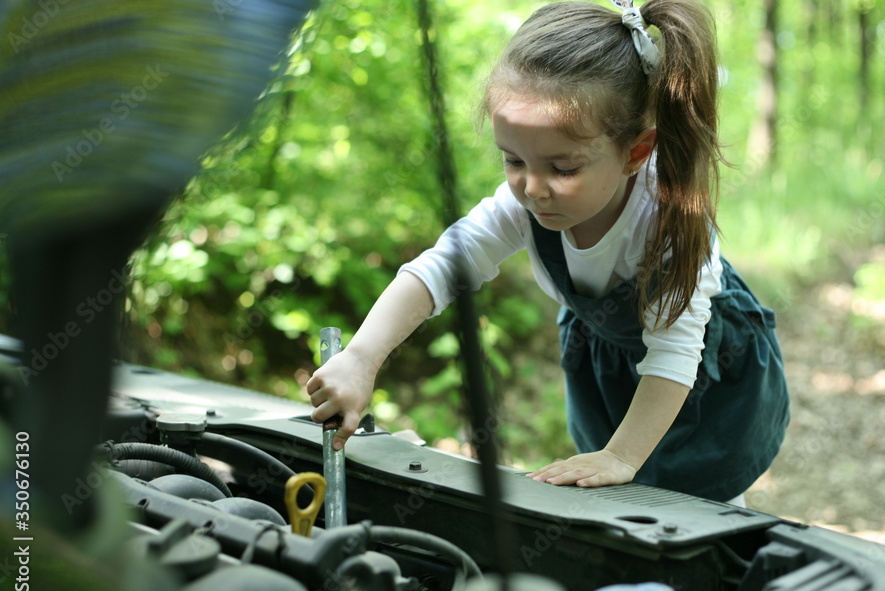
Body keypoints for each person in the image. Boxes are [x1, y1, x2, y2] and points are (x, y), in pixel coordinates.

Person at [307, 0, 790, 504]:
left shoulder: (669, 221)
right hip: (611, 364)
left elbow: (673, 354)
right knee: (615, 498)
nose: (532, 188)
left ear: (635, 153)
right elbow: (442, 266)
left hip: (700, 377)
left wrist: (621, 455)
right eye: (513, 159)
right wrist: (362, 357)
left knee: (698, 502)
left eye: (563, 169)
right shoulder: (523, 202)